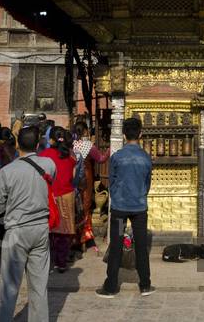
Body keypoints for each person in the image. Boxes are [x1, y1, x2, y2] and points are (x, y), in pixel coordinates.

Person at [0, 126, 57, 322]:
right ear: (38, 145)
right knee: (39, 285)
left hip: (17, 230)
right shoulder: (48, 164)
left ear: (18, 144)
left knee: (9, 285)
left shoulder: (7, 171)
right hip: (40, 229)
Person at [97, 117, 153, 298]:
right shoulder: (146, 157)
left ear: (123, 135)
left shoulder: (116, 157)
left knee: (117, 244)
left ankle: (111, 286)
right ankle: (145, 285)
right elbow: (147, 183)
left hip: (120, 209)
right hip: (139, 210)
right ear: (141, 134)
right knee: (141, 245)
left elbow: (112, 182)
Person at [38, 126, 77, 272]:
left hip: (50, 195)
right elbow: (72, 177)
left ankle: (47, 262)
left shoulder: (44, 155)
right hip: (66, 195)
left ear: (51, 139)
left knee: (48, 229)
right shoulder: (70, 155)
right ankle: (61, 262)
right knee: (64, 231)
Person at [72, 122, 109, 255]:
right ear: (86, 131)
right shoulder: (88, 145)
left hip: (72, 180)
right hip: (85, 180)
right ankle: (84, 237)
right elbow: (101, 159)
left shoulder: (71, 144)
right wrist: (112, 147)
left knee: (75, 209)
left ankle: (74, 238)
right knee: (86, 208)